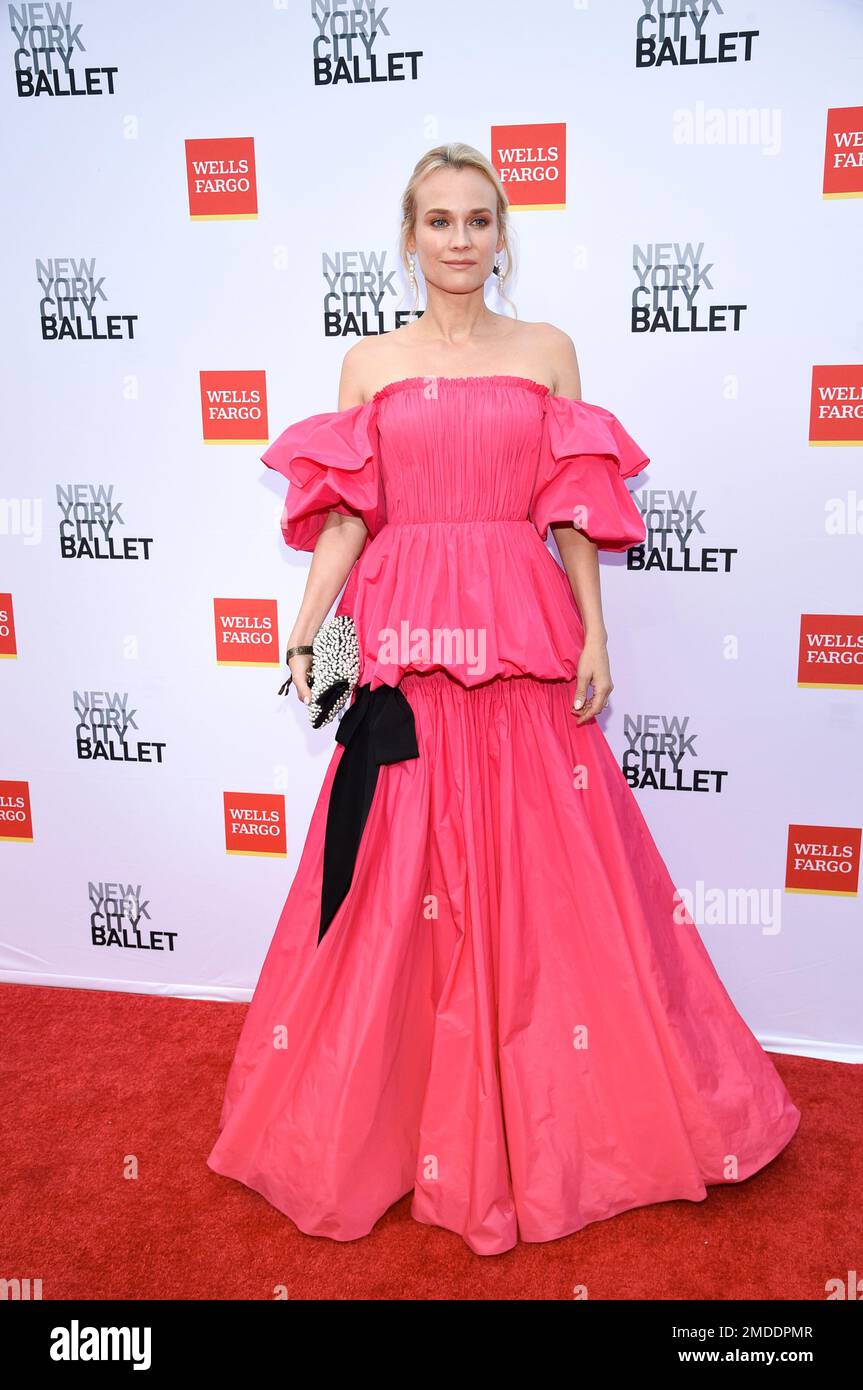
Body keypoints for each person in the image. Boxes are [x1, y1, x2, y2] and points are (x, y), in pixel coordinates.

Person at [207, 142, 800, 1257]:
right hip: (402, 634)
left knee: (547, 871)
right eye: (438, 221)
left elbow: (572, 506)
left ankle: (564, 1113)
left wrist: (594, 629)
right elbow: (346, 518)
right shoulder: (368, 363)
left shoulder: (545, 351)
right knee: (396, 872)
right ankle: (394, 1120)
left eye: (479, 220)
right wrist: (309, 634)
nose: (460, 240)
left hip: (521, 637)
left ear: (502, 234)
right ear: (408, 236)